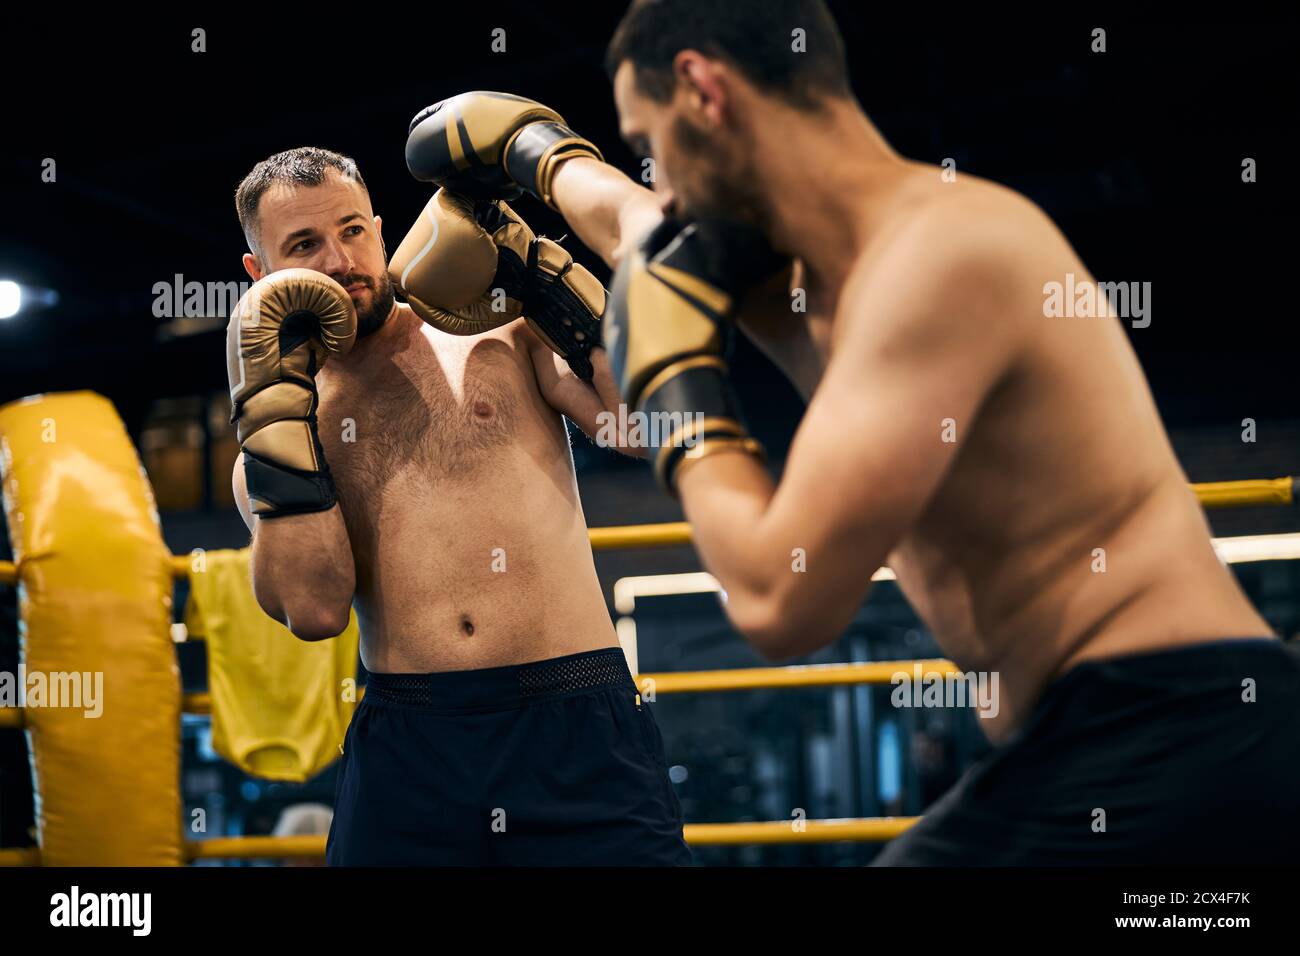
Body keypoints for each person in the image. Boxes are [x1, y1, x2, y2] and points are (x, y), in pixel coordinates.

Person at [402, 0, 1300, 864]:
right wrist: (537, 153)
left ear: (705, 93)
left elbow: (776, 602)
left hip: (1181, 735)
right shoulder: (812, 268)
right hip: (1098, 740)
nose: (656, 182)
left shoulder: (940, 261)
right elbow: (649, 233)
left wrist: (674, 383)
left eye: (650, 146)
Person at [226, 146, 689, 865]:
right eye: (304, 245)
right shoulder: (283, 434)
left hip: (575, 720)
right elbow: (314, 611)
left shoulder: (497, 327)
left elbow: (645, 430)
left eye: (352, 231)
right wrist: (273, 415)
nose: (340, 261)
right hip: (410, 742)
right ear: (258, 275)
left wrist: (554, 283)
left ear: (380, 231)